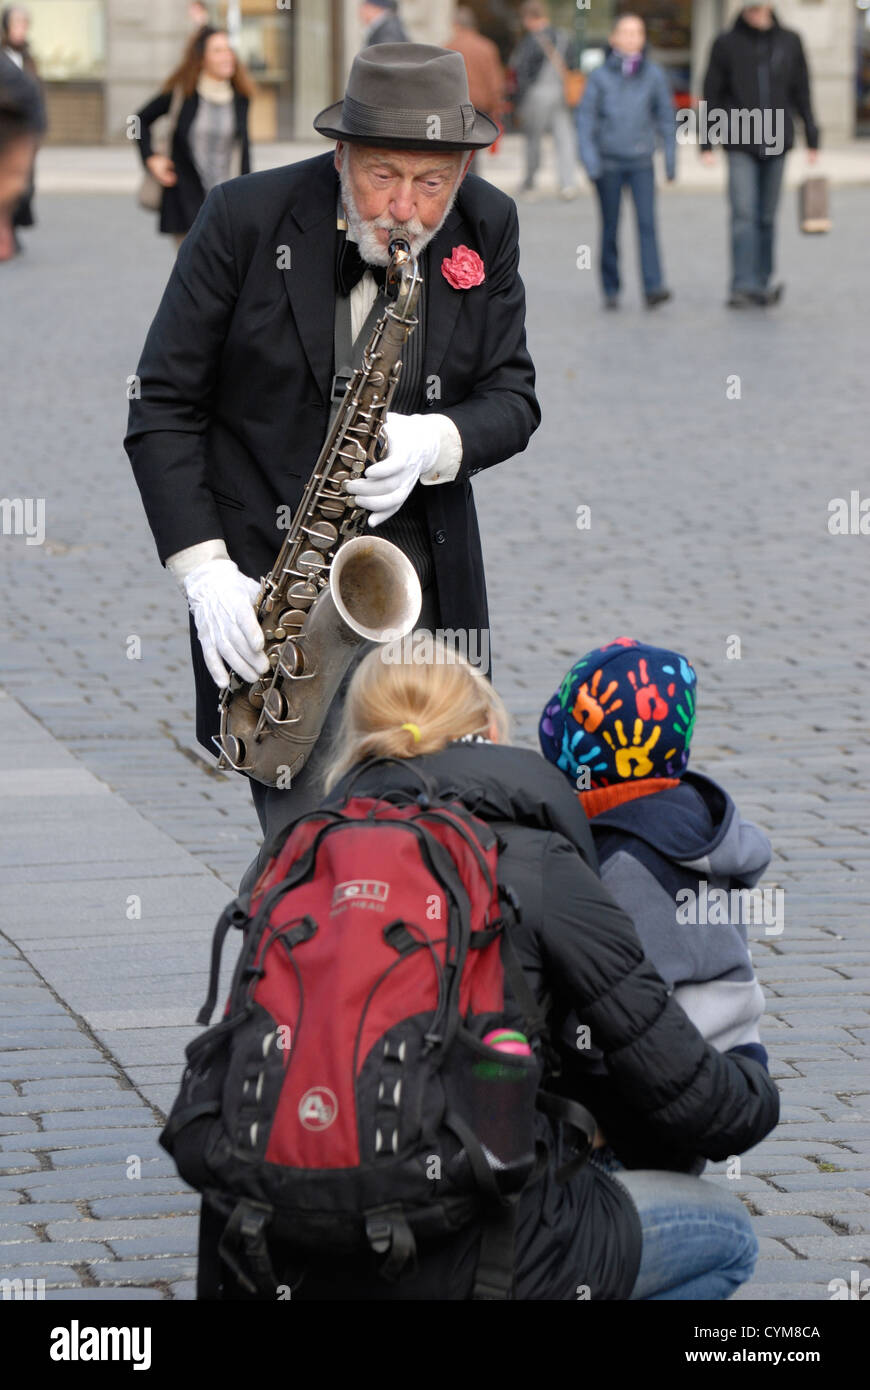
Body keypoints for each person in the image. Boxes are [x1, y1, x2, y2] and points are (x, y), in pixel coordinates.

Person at [219, 642, 777, 1300]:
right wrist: (755, 1083)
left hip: (293, 1245)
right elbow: (690, 1091)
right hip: (478, 1249)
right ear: (488, 731)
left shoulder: (293, 862)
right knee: (727, 1238)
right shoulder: (543, 865)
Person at [124, 44, 540, 888]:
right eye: (383, 175)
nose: (404, 207)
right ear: (342, 152)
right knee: (318, 870)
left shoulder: (486, 224)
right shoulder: (243, 219)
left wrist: (435, 442)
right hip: (279, 609)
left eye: (432, 184)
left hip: (426, 606)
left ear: (463, 167)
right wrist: (207, 575)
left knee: (440, 865)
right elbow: (162, 405)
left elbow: (514, 396)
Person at [539, 638, 770, 1069]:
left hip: (674, 1076)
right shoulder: (697, 826)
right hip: (735, 1052)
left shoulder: (625, 866)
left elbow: (614, 1008)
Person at [701, 4, 819, 308]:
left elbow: (802, 89)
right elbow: (712, 92)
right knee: (743, 215)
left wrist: (812, 135)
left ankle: (763, 282)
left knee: (766, 216)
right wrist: (706, 141)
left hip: (777, 140)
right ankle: (742, 284)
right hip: (739, 140)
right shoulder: (726, 42)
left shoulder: (790, 41)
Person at [576, 12, 675, 310]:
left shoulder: (654, 74)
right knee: (610, 227)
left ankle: (653, 286)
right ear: (614, 38)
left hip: (642, 161)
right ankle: (611, 286)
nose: (632, 39)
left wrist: (670, 159)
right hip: (609, 163)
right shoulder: (600, 76)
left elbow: (666, 118)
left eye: (638, 33)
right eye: (626, 33)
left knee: (647, 225)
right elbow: (585, 119)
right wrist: (590, 161)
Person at [133, 25, 253, 248]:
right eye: (217, 50)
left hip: (227, 206)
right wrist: (151, 159)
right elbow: (138, 120)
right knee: (195, 277)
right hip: (186, 205)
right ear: (201, 58)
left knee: (225, 278)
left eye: (229, 49)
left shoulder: (241, 97)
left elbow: (243, 152)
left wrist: (249, 197)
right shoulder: (183, 93)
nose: (227, 55)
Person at [509, 0, 579, 200]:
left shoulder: (529, 41)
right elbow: (573, 65)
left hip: (536, 94)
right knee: (564, 137)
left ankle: (530, 181)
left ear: (528, 18)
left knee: (533, 139)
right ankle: (567, 183)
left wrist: (519, 103)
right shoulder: (563, 37)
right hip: (561, 92)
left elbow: (522, 73)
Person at [0, 5, 43, 255]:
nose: (21, 28)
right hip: (7, 137)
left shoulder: (28, 58)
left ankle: (11, 232)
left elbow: (37, 96)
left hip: (26, 136)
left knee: (21, 189)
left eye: (24, 23)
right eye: (16, 23)